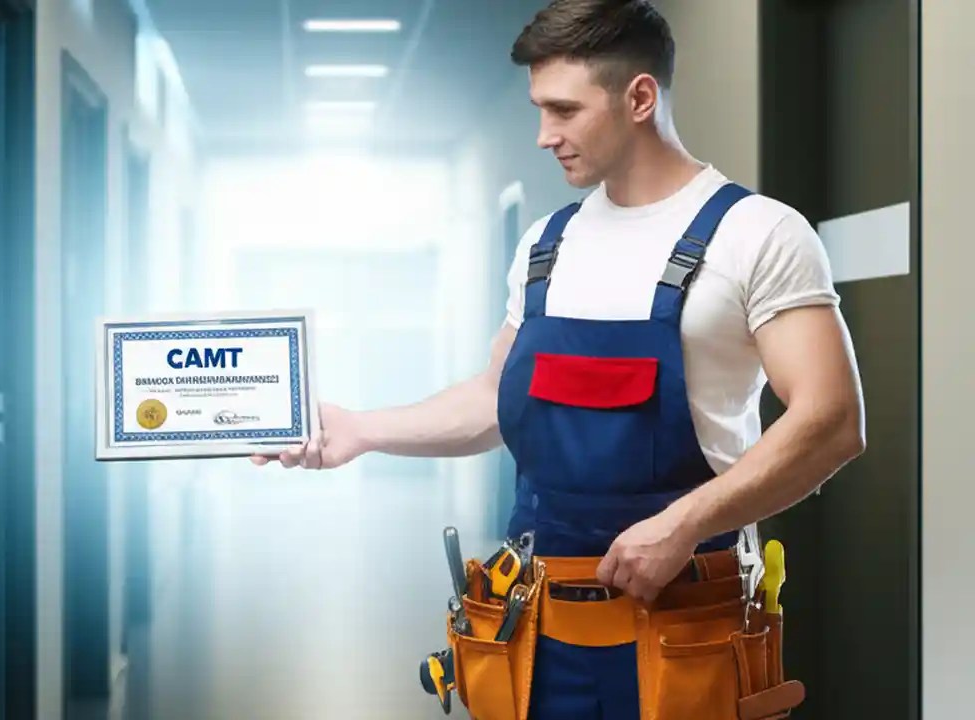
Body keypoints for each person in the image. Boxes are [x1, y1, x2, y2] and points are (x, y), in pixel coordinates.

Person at [253, 0, 866, 717]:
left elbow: (831, 420)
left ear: (639, 98)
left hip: (687, 636)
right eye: (539, 110)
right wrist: (360, 428)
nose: (545, 136)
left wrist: (684, 523)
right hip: (536, 635)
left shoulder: (756, 234)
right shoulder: (549, 243)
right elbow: (495, 399)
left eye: (564, 111)